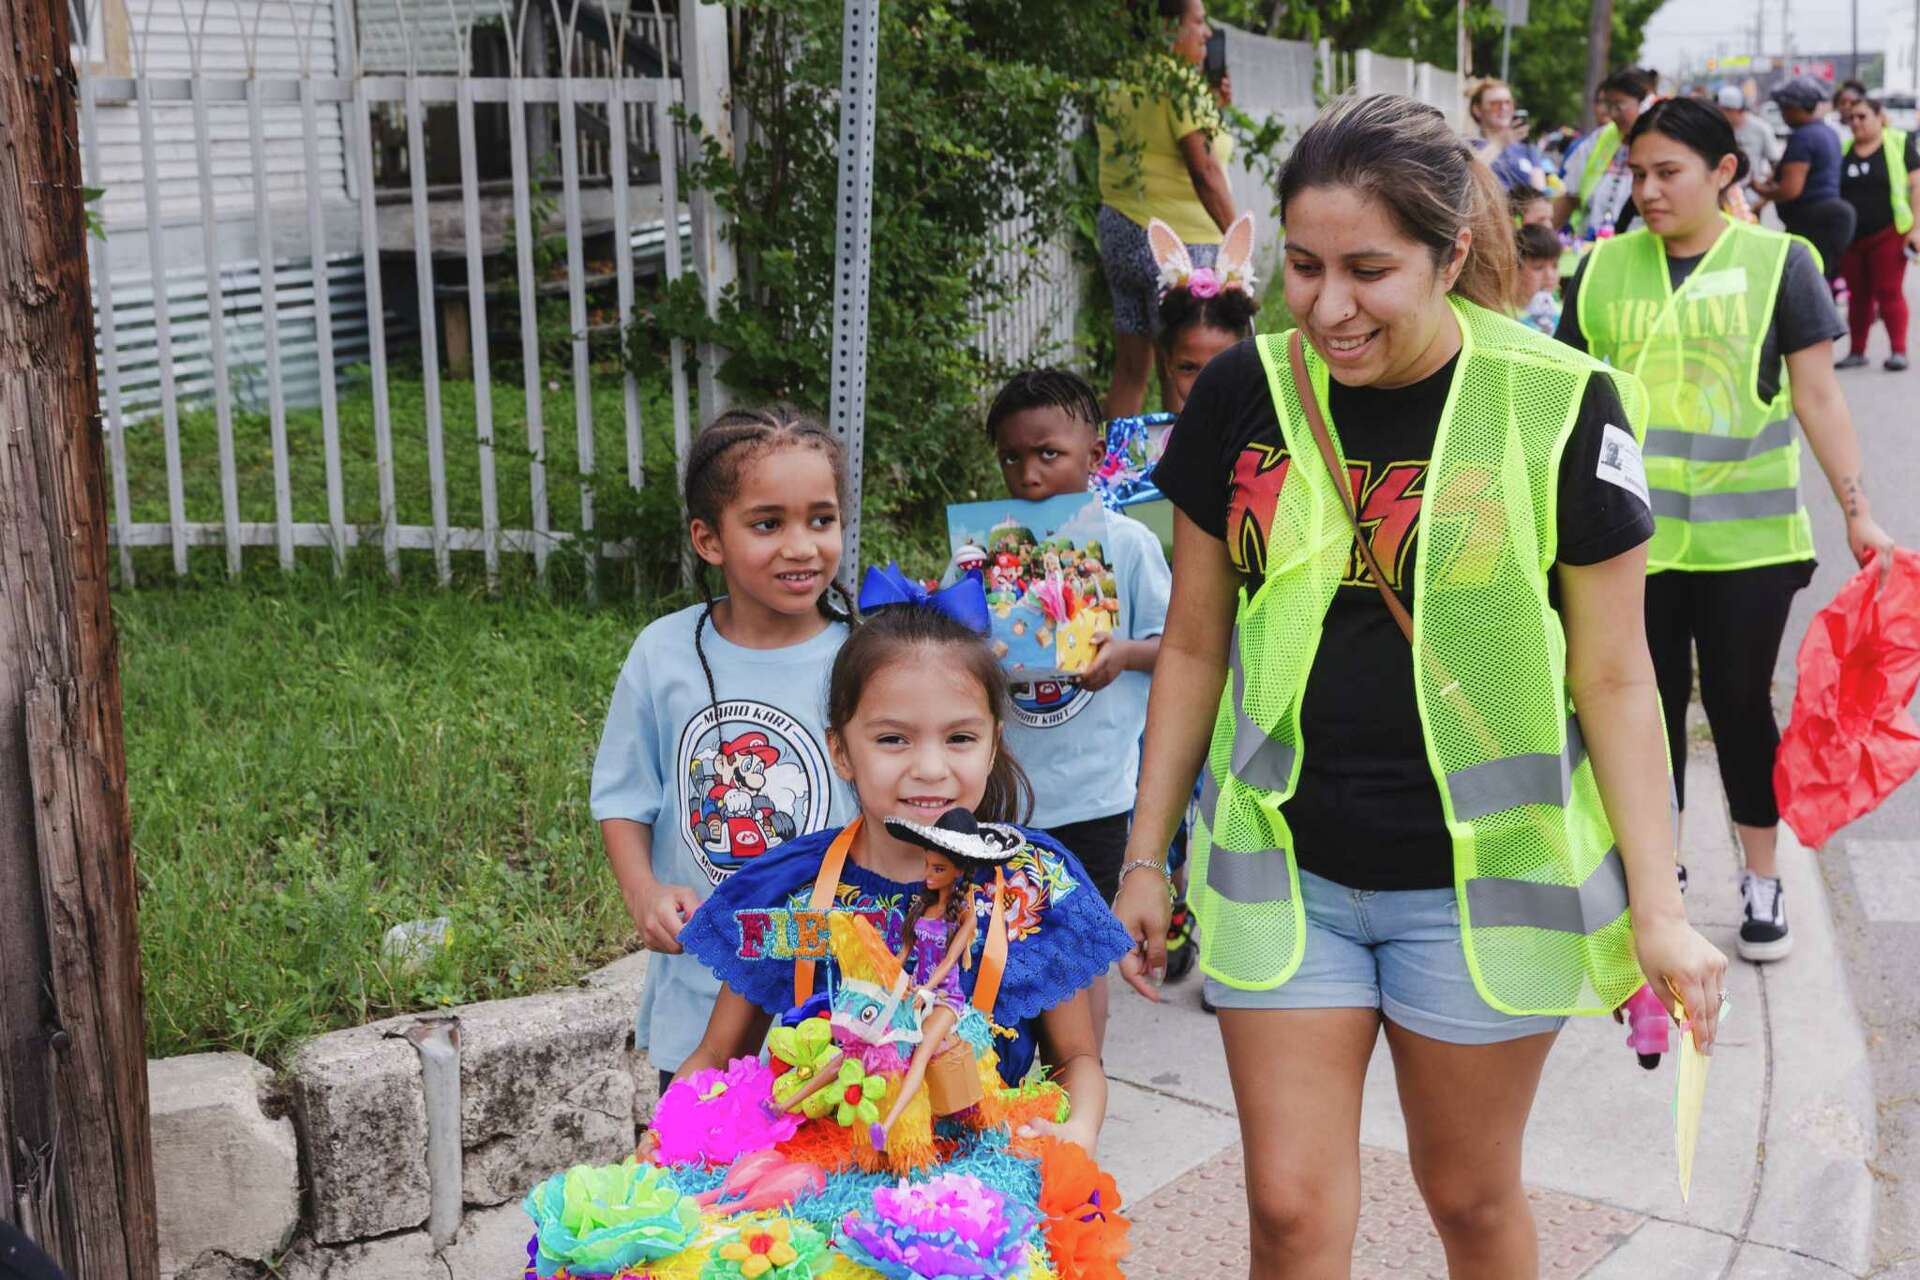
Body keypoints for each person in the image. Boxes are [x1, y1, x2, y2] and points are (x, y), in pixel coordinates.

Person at [1113, 93, 1727, 1277]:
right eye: (1300, 266)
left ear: (1451, 255)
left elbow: (1614, 672)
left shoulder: (1556, 402)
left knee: (1468, 1195)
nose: (1328, 307)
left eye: (1368, 270)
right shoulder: (1245, 391)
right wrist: (1147, 855)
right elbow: (1193, 642)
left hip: (1482, 888)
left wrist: (1659, 902)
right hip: (1281, 870)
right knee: (1288, 1210)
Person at [1556, 97, 1896, 961]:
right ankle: (1658, 877)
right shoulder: (1600, 271)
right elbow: (1561, 401)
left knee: (1741, 707)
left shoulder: (1782, 263)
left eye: (1668, 173)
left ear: (1724, 173)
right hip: (1629, 547)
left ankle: (1762, 878)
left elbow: (1818, 394)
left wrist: (1857, 510)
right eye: (1637, 175)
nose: (1649, 191)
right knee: (1647, 709)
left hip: (1750, 544)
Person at [669, 585, 1137, 1154]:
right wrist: (666, 1140)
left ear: (992, 747)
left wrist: (1077, 1130)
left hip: (984, 1198)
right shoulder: (787, 893)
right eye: (894, 739)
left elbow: (1077, 1061)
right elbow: (715, 1059)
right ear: (841, 751)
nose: (931, 768)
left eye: (960, 738)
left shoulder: (1033, 884)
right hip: (816, 1198)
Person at [591, 407, 856, 1093]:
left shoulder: (871, 658)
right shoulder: (664, 652)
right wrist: (643, 891)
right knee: (702, 1182)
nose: (802, 546)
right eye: (768, 524)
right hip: (700, 995)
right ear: (709, 540)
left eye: (821, 520)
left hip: (841, 1004)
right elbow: (624, 793)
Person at [981, 367, 1171, 1045]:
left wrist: (1120, 654)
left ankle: (1080, 1075)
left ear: (1094, 456)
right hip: (1006, 795)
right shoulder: (984, 551)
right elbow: (950, 649)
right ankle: (1022, 1081)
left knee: (1086, 951)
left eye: (1048, 454)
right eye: (1012, 457)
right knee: (1008, 943)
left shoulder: (1127, 546)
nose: (1029, 474)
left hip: (1095, 797)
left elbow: (1179, 645)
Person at [1097, 0, 1239, 416]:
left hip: (1122, 233)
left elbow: (1154, 149)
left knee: (1129, 370)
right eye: (1197, 22)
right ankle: (1187, 476)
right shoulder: (1178, 85)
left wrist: (1212, 107)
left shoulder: (1118, 78)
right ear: (1165, 26)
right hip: (1178, 246)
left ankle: (1117, 471)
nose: (1207, 34)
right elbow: (1205, 171)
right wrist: (1236, 241)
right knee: (1186, 370)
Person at [1837, 95, 1920, 370]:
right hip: (1852, 239)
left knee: (1888, 291)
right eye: (1851, 118)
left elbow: (1916, 187)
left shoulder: (1897, 143)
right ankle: (1857, 351)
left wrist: (1917, 229)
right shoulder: (1844, 149)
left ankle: (1898, 350)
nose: (1856, 123)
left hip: (1889, 234)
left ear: (1878, 117)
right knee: (1857, 296)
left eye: (1862, 117)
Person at [1152, 210, 1262, 410]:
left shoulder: (1264, 434)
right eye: (1188, 368)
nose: (1204, 385)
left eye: (1223, 368)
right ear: (1168, 364)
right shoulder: (1169, 440)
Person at [1756, 77, 1856, 283]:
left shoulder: (1803, 138)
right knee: (1822, 281)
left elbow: (1790, 189)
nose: (1783, 114)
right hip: (1831, 218)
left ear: (1795, 107)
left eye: (1784, 108)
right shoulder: (1827, 132)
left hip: (1814, 222)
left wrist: (1759, 189)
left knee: (1805, 283)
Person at [1556, 67, 1658, 235]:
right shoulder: (1600, 139)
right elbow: (1569, 197)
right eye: (1609, 106)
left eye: (1618, 106)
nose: (1612, 114)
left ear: (1646, 104)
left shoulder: (1664, 144)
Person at [1466, 78, 1557, 194]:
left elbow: (1539, 193)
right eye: (1495, 104)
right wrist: (1499, 144)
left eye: (1508, 103)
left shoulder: (1528, 149)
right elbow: (1468, 176)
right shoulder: (1468, 145)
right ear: (1477, 110)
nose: (1504, 108)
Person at [1718, 84, 1780, 211]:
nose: (1722, 114)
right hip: (1721, 196)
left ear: (1737, 110)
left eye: (1725, 110)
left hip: (1751, 197)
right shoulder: (1717, 128)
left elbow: (1776, 165)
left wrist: (1764, 197)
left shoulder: (1761, 129)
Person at [1513, 223, 1563, 333]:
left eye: (1555, 266)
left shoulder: (1561, 313)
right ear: (1514, 271)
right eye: (1538, 268)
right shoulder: (1506, 317)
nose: (1549, 275)